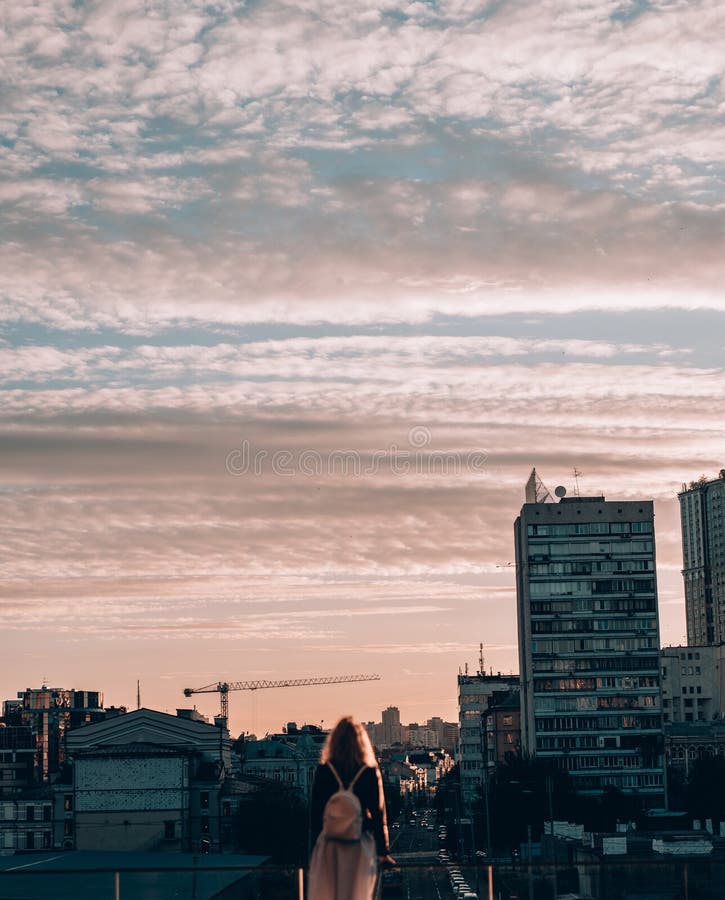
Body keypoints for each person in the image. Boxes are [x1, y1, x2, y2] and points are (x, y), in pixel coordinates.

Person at [308, 716, 395, 900]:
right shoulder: (369, 772)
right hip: (359, 844)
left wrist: (313, 851)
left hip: (329, 844)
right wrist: (383, 852)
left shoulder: (324, 770)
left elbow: (315, 815)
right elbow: (379, 815)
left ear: (334, 742)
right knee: (358, 895)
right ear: (361, 742)